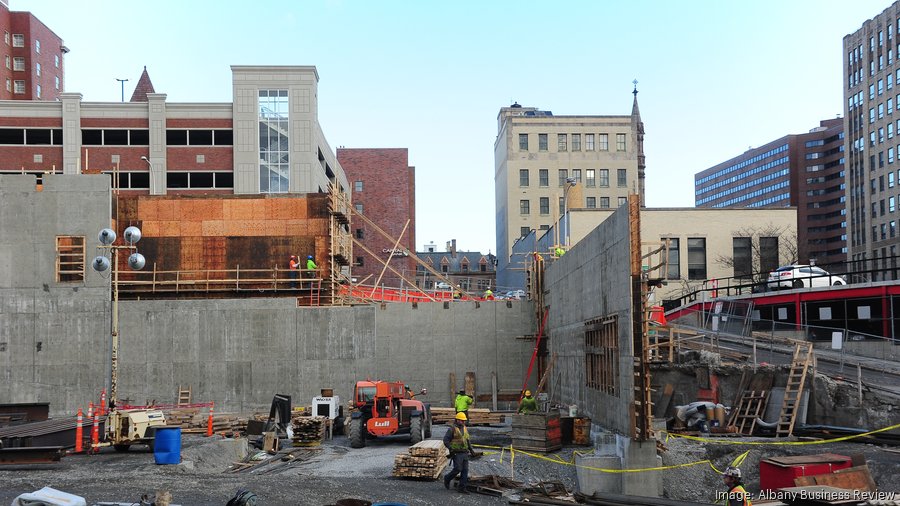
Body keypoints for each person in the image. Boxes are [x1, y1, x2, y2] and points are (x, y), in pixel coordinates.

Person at [443, 412, 474, 494]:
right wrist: (450, 448)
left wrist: (471, 449)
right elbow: (445, 440)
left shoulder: (464, 428)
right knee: (458, 468)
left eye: (464, 421)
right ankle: (447, 478)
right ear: (457, 420)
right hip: (456, 453)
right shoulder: (452, 429)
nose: (463, 422)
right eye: (462, 420)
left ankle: (462, 488)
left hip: (464, 452)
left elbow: (467, 439)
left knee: (465, 470)